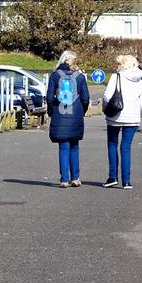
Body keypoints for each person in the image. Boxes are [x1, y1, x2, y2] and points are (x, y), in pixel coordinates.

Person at [102, 55, 142, 189]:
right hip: (132, 117)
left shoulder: (117, 76)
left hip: (115, 116)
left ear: (123, 64)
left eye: (119, 63)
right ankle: (126, 181)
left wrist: (105, 109)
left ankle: (112, 177)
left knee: (112, 144)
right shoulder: (140, 78)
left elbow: (107, 96)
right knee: (126, 147)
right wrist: (138, 115)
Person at [47, 50, 90, 187]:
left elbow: (49, 97)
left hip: (60, 113)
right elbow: (85, 98)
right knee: (75, 147)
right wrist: (82, 111)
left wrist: (51, 111)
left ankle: (64, 179)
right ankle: (75, 178)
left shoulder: (55, 75)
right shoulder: (80, 77)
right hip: (75, 113)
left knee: (63, 147)